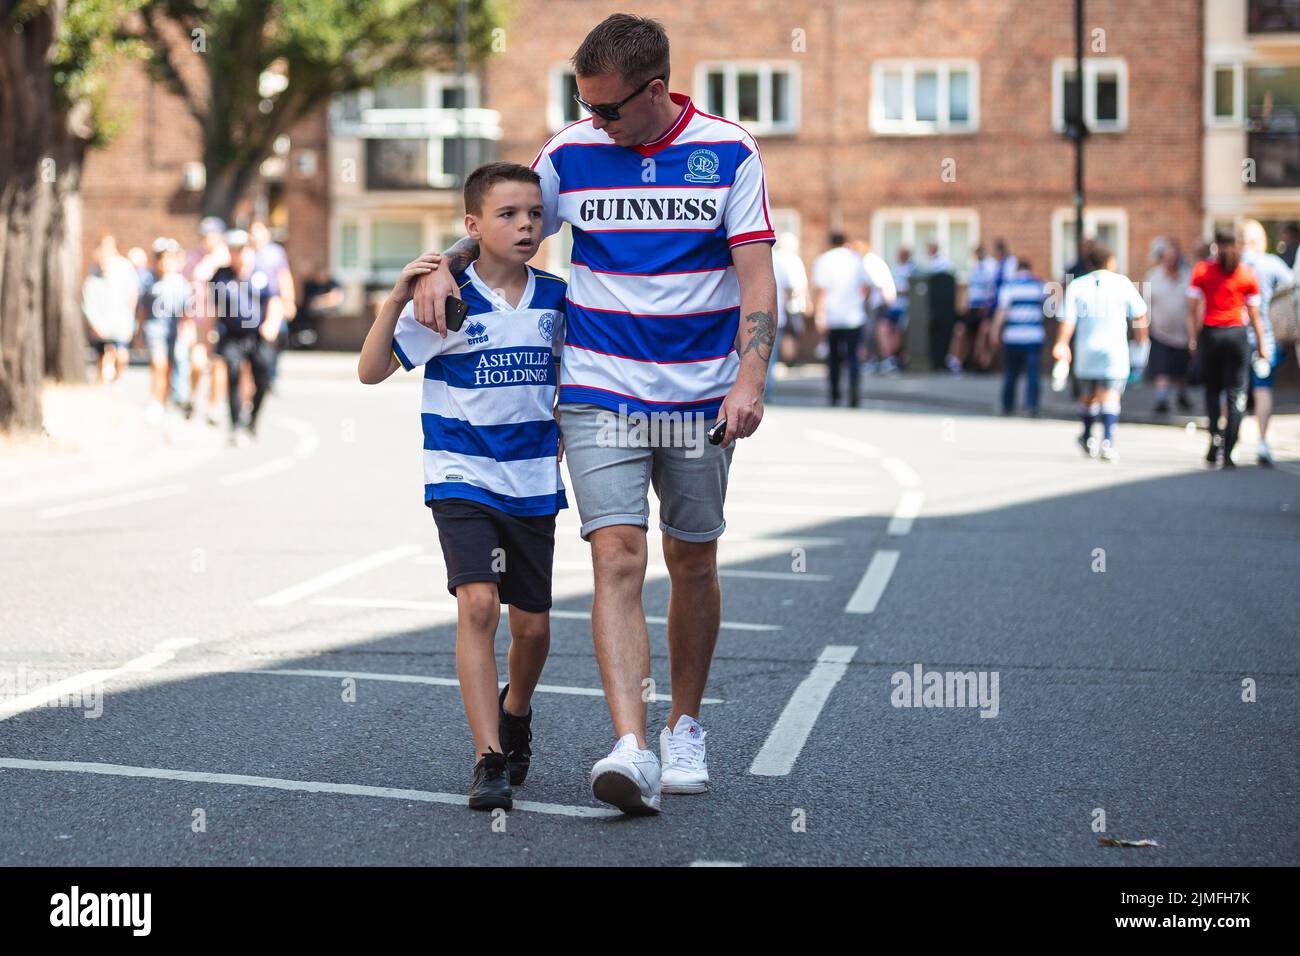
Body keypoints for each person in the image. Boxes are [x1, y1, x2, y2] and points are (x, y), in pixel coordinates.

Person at [409, 14, 776, 815]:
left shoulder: (730, 152)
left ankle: (683, 726)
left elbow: (755, 277)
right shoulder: (572, 152)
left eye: (609, 108)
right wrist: (443, 268)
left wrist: (750, 377)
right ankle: (631, 746)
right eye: (585, 104)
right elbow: (504, 216)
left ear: (655, 92)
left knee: (693, 560)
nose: (595, 121)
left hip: (700, 396)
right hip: (599, 388)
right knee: (615, 557)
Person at [358, 162, 566, 812]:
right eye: (508, 215)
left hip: (532, 481)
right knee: (478, 605)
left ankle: (517, 712)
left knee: (531, 627)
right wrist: (397, 295)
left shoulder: (559, 300)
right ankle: (488, 758)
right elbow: (369, 372)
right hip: (461, 476)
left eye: (533, 213)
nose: (525, 224)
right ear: (473, 226)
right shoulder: (444, 302)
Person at [1052, 244, 1149, 462]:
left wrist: (1062, 343)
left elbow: (1068, 320)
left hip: (1086, 349)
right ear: (1110, 262)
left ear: (1089, 264)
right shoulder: (1122, 283)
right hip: (1115, 350)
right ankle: (1107, 440)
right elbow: (1140, 315)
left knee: (1088, 397)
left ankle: (1087, 435)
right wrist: (1141, 340)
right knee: (1111, 395)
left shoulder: (1077, 286)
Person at [1188, 229, 1269, 469]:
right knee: (1236, 393)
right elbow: (1254, 315)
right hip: (1237, 335)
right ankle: (1230, 448)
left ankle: (1215, 434)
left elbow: (1191, 310)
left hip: (1211, 334)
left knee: (1212, 391)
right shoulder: (1246, 274)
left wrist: (1193, 339)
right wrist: (1262, 345)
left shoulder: (1202, 270)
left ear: (1216, 245)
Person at [209, 230, 280, 446]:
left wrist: (271, 324)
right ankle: (236, 424)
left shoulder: (262, 273)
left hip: (257, 335)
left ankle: (252, 421)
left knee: (263, 378)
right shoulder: (221, 276)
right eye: (233, 250)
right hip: (232, 335)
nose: (238, 255)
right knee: (232, 371)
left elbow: (274, 301)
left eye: (242, 249)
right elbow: (210, 304)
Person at [1237, 219, 1292, 467]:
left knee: (1233, 392)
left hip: (1235, 338)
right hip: (1266, 340)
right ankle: (1262, 442)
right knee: (1262, 391)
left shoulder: (1231, 265)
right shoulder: (1272, 264)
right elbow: (1292, 289)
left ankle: (1231, 442)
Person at [813, 233, 870, 405]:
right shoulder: (856, 259)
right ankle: (854, 393)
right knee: (853, 356)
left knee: (834, 358)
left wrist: (819, 315)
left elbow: (822, 290)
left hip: (833, 316)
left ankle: (835, 393)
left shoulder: (824, 260)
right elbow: (866, 284)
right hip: (854, 316)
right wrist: (860, 301)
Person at [185, 217, 231, 426]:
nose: (205, 239)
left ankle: (214, 406)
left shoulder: (226, 258)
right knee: (196, 362)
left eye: (209, 235)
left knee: (217, 363)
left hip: (220, 317)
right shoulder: (194, 257)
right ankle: (192, 397)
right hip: (198, 316)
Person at [990, 258, 1047, 415]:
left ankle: (1007, 405)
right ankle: (1032, 405)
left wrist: (995, 331)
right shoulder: (1039, 285)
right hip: (1034, 336)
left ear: (1017, 269)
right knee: (1033, 374)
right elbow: (1049, 308)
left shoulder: (1009, 286)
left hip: (1013, 336)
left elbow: (1002, 311)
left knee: (1010, 374)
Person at [1143, 238, 1194, 414]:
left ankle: (1182, 394)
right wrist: (1143, 328)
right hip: (1160, 331)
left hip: (1183, 333)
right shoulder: (1153, 276)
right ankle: (1162, 398)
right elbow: (1146, 303)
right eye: (1167, 257)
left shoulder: (1188, 276)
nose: (1170, 261)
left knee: (1181, 369)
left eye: (1174, 258)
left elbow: (1195, 304)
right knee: (1161, 368)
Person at [142, 238, 189, 423]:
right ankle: (155, 401)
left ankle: (165, 397)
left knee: (169, 365)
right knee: (158, 364)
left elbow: (186, 310)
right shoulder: (149, 280)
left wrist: (186, 328)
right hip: (154, 328)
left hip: (173, 329)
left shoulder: (180, 282)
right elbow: (142, 308)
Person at [82, 235, 139, 384]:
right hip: (102, 322)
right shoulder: (94, 273)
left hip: (120, 322)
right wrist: (94, 323)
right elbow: (89, 300)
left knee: (121, 356)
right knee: (101, 358)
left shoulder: (125, 268)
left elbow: (132, 294)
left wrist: (130, 318)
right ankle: (101, 387)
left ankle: (115, 381)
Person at [250, 220, 296, 385]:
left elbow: (284, 276)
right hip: (254, 304)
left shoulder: (275, 252)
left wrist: (289, 301)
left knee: (278, 336)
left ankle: (271, 373)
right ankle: (259, 375)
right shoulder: (247, 252)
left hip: (274, 302)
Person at [948, 243, 996, 374]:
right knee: (960, 330)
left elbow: (992, 289)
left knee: (983, 333)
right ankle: (956, 361)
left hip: (984, 308)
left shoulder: (990, 266)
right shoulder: (974, 268)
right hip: (973, 308)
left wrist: (987, 306)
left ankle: (981, 362)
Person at [858, 238, 898, 373]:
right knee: (877, 332)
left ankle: (882, 360)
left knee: (876, 332)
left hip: (878, 304)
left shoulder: (868, 261)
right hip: (882, 303)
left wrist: (864, 302)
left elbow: (873, 285)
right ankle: (879, 360)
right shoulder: (874, 260)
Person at [295, 262, 343, 348]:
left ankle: (308, 336)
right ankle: (303, 335)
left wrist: (321, 301)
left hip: (329, 308)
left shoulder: (332, 283)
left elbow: (336, 297)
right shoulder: (311, 284)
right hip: (311, 309)